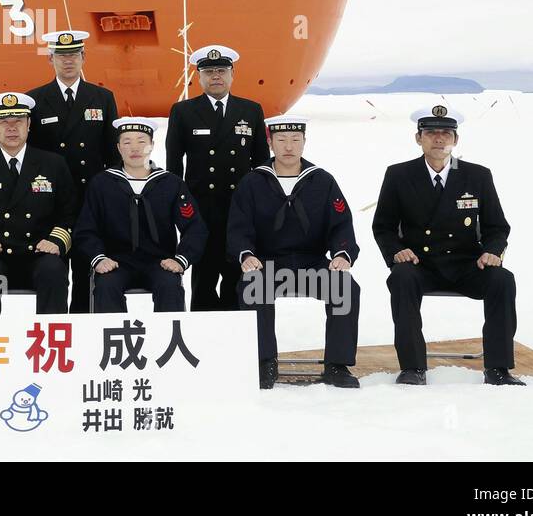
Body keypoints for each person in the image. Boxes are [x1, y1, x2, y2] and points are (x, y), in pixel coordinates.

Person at [374, 104, 523, 386]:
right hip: (421, 265)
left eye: (446, 133)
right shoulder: (398, 175)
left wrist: (492, 251)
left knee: (503, 280)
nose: (439, 139)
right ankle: (412, 368)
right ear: (418, 138)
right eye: (431, 133)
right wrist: (397, 251)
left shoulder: (477, 175)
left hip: (467, 264)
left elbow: (497, 226)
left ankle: (498, 369)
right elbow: (383, 226)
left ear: (456, 139)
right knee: (401, 278)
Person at [228, 115, 361, 389]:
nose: (289, 146)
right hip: (267, 265)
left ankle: (337, 365)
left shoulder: (322, 181)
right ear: (270, 142)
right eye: (281, 140)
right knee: (253, 286)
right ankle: (264, 363)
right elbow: (238, 227)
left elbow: (341, 225)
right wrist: (246, 254)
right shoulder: (253, 182)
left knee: (345, 287)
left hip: (311, 264)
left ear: (304, 142)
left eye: (295, 140)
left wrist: (341, 254)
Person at [165, 44, 269, 311]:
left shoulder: (251, 111)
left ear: (232, 74)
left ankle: (236, 335)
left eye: (221, 70)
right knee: (204, 276)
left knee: (239, 273)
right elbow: (174, 164)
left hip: (240, 208)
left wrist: (260, 205)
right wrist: (176, 207)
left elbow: (260, 164)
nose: (216, 77)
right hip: (202, 209)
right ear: (198, 77)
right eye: (209, 72)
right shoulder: (183, 112)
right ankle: (203, 338)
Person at [0, 92, 77, 314]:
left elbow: (69, 213)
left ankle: (52, 343)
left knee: (54, 269)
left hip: (38, 254)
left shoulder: (53, 164)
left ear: (29, 124)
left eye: (18, 121)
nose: (11, 128)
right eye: (3, 122)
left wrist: (56, 241)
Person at [26, 29, 119, 313]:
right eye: (61, 56)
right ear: (50, 59)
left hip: (90, 196)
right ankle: (52, 331)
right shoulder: (36, 100)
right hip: (48, 198)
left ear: (83, 57)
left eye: (73, 55)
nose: (68, 62)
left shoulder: (102, 98)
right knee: (51, 268)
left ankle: (81, 329)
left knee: (85, 268)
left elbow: (111, 152)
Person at [74, 118, 207, 313]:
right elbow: (86, 228)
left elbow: (195, 228)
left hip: (159, 261)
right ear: (119, 147)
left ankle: (169, 341)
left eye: (141, 141)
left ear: (152, 145)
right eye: (127, 142)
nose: (134, 148)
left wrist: (181, 259)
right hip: (115, 261)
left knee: (170, 285)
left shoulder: (171, 183)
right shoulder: (102, 183)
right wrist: (98, 258)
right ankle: (114, 342)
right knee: (106, 286)